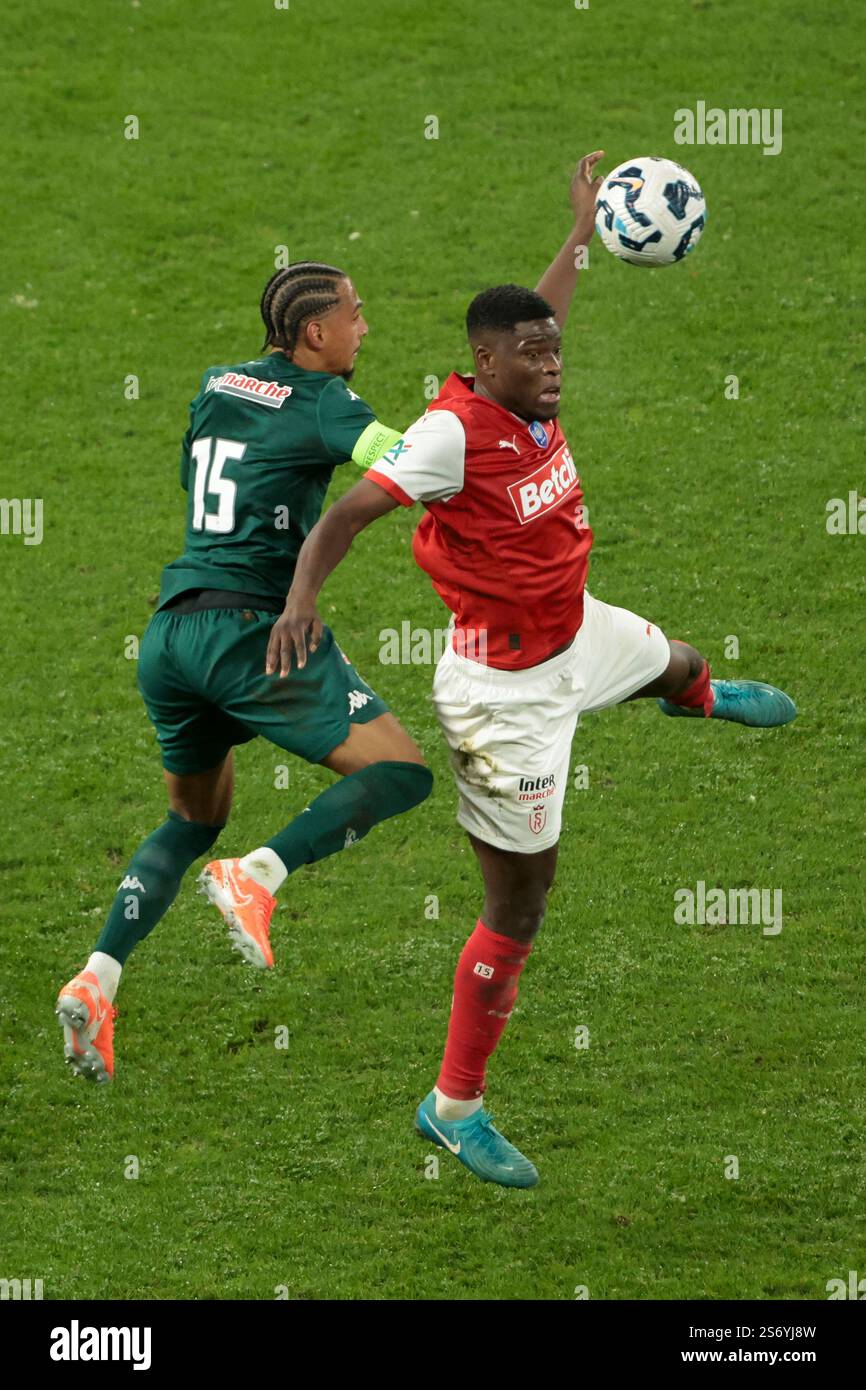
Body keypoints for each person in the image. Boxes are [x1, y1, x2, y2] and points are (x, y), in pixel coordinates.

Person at [267, 173, 797, 1188]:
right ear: (483, 362)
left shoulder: (528, 389)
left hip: (575, 630)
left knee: (679, 662)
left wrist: (581, 230)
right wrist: (301, 604)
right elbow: (341, 519)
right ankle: (450, 1105)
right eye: (531, 355)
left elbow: (548, 308)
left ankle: (700, 699)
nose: (551, 367)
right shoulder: (448, 436)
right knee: (518, 906)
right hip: (504, 701)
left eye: (554, 351)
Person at [56, 261, 432, 1083]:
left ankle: (98, 979)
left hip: (171, 635)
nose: (365, 329)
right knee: (401, 770)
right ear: (313, 333)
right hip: (251, 635)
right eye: (356, 317)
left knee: (192, 820)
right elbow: (405, 465)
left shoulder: (215, 382)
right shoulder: (329, 401)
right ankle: (259, 876)